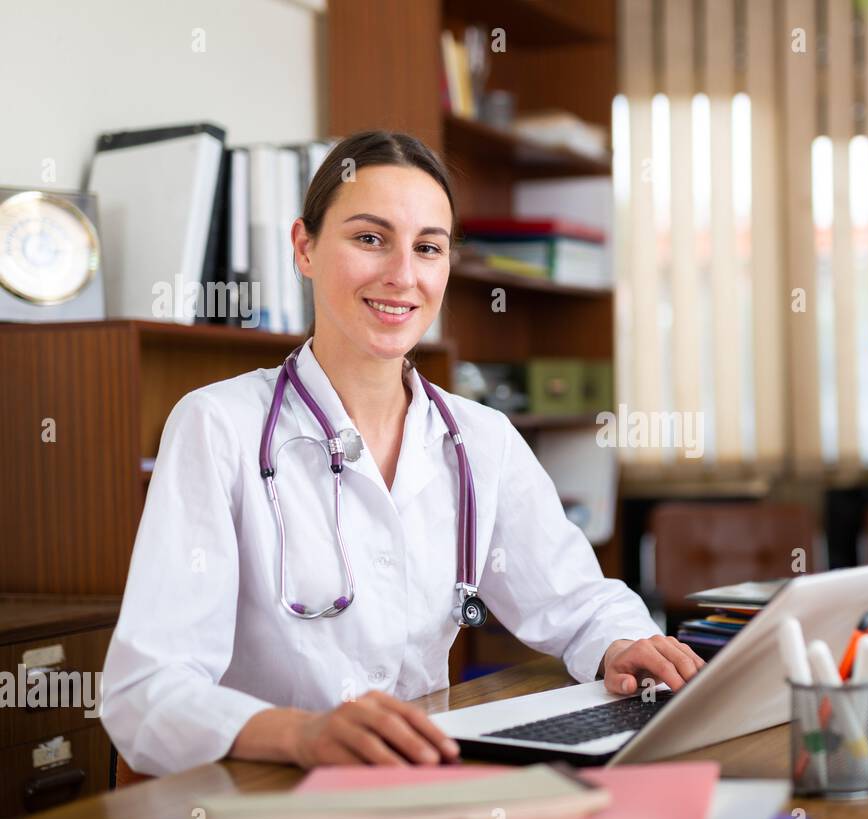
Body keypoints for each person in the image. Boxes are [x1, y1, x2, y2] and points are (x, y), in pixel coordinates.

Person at [101, 130, 704, 777]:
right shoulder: (217, 425)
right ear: (304, 247)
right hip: (271, 791)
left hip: (422, 781)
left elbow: (577, 601)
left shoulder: (480, 438)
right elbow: (146, 692)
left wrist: (624, 644)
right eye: (369, 238)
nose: (402, 275)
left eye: (428, 248)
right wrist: (304, 735)